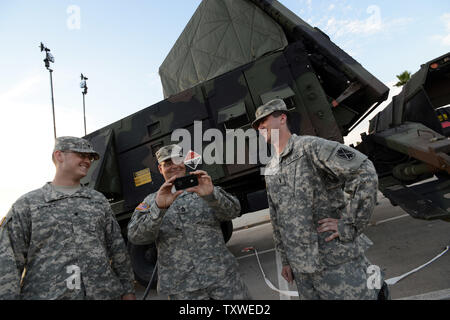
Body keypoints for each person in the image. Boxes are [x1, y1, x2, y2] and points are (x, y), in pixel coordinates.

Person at [252, 99, 382, 300]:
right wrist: (286, 260)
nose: (260, 127)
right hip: (302, 270)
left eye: (264, 120)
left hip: (333, 261)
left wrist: (349, 223)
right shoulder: (271, 168)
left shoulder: (310, 147)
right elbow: (277, 217)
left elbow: (364, 171)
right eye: (257, 125)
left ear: (282, 118)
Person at [0, 136, 136, 300]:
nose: (87, 160)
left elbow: (117, 248)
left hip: (104, 294)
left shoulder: (98, 200)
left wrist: (128, 290)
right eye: (81, 154)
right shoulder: (27, 204)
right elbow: (8, 261)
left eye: (90, 157)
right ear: (59, 155)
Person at [127, 144, 250, 300]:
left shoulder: (205, 188)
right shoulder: (152, 202)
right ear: (160, 169)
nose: (173, 166)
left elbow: (234, 211)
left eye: (177, 160)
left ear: (183, 162)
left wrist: (212, 196)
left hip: (224, 280)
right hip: (184, 290)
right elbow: (135, 236)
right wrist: (159, 208)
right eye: (167, 163)